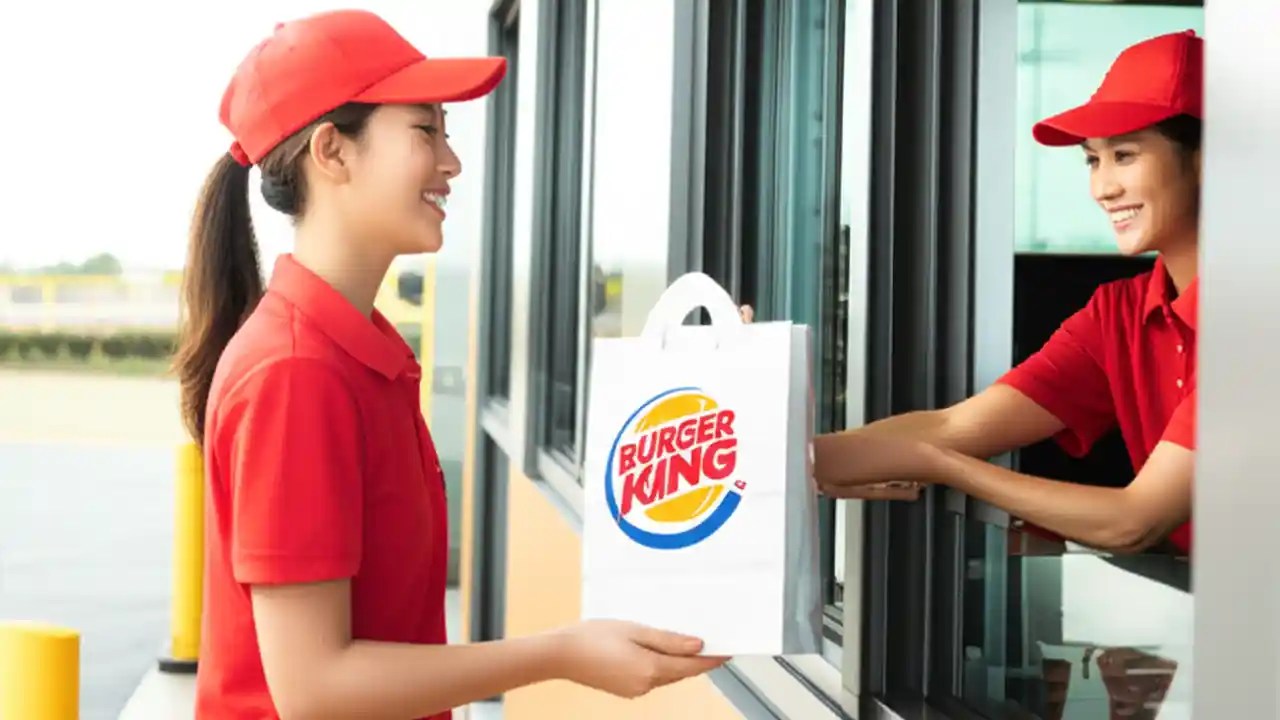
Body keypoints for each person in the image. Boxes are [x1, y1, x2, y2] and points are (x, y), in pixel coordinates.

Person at [176, 10, 724, 719]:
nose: (451, 161)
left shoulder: (350, 349)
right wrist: (560, 652)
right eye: (425, 131)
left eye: (446, 133)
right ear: (333, 152)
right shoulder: (295, 372)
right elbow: (315, 690)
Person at [808, 30, 1204, 554]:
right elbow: (954, 425)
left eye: (1125, 156)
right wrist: (785, 452)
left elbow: (1134, 521)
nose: (1102, 188)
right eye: (1092, 160)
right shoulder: (1120, 314)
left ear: (1208, 160)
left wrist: (941, 467)